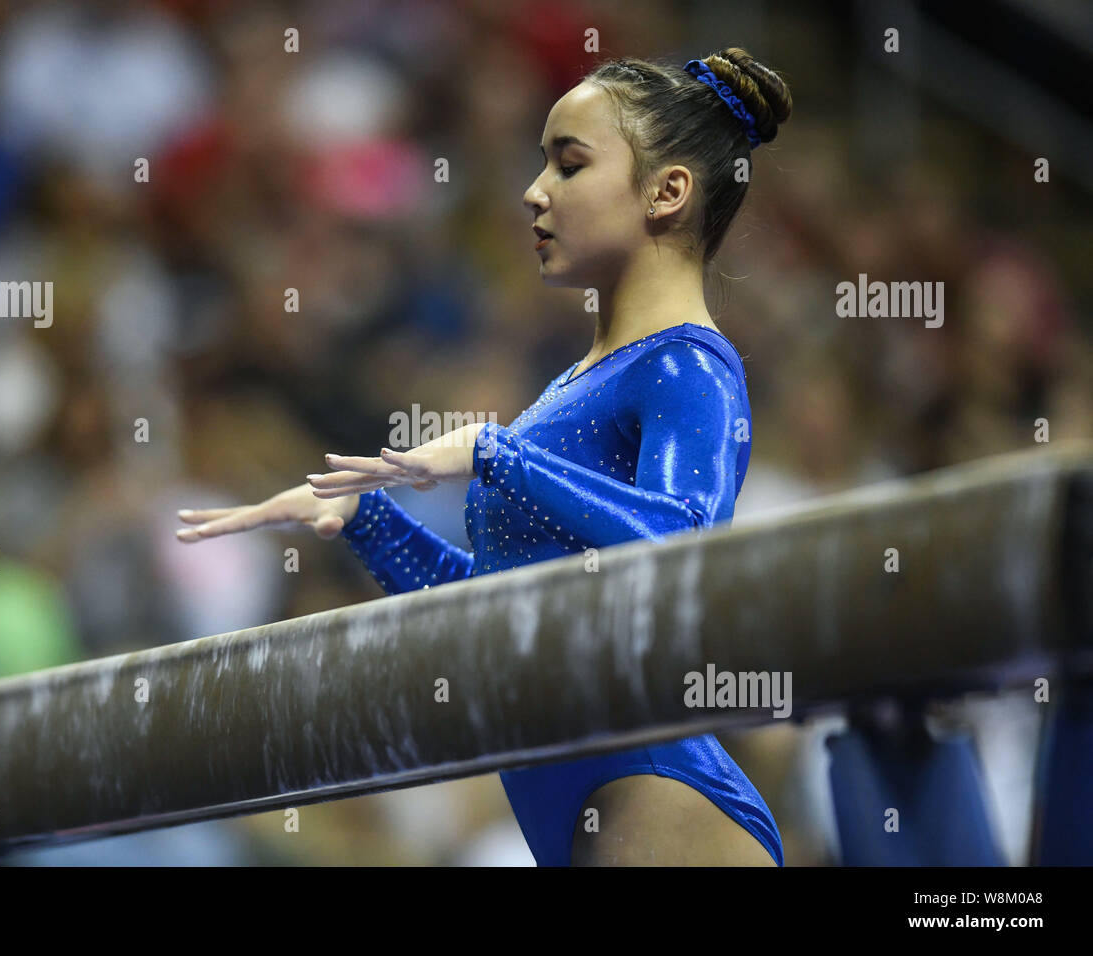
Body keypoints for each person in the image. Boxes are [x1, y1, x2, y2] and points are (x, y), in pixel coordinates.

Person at [178, 48, 792, 866]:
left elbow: (687, 545)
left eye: (569, 164)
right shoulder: (571, 387)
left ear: (667, 192)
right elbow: (497, 618)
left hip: (656, 797)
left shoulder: (687, 364)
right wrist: (369, 520)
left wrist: (495, 452)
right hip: (571, 795)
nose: (535, 191)